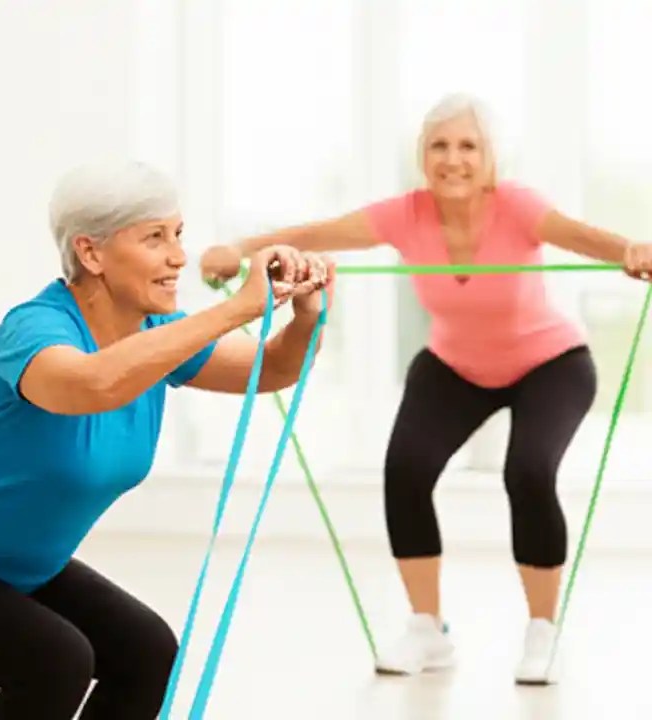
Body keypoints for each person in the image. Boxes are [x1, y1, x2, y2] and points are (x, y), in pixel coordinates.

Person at [0, 160, 334, 719]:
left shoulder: (156, 334)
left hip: (10, 567)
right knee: (55, 659)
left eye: (178, 235)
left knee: (148, 653)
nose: (177, 256)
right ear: (91, 253)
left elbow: (269, 369)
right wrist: (235, 308)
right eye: (154, 238)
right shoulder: (36, 329)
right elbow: (89, 384)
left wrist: (308, 318)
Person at [199, 93, 652, 685]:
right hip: (454, 365)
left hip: (550, 363)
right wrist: (241, 250)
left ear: (490, 159)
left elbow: (580, 237)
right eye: (439, 145)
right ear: (422, 156)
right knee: (406, 470)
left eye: (468, 146)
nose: (453, 158)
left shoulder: (516, 206)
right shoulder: (404, 215)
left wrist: (629, 251)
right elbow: (317, 232)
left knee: (529, 473)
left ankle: (543, 632)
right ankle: (427, 630)